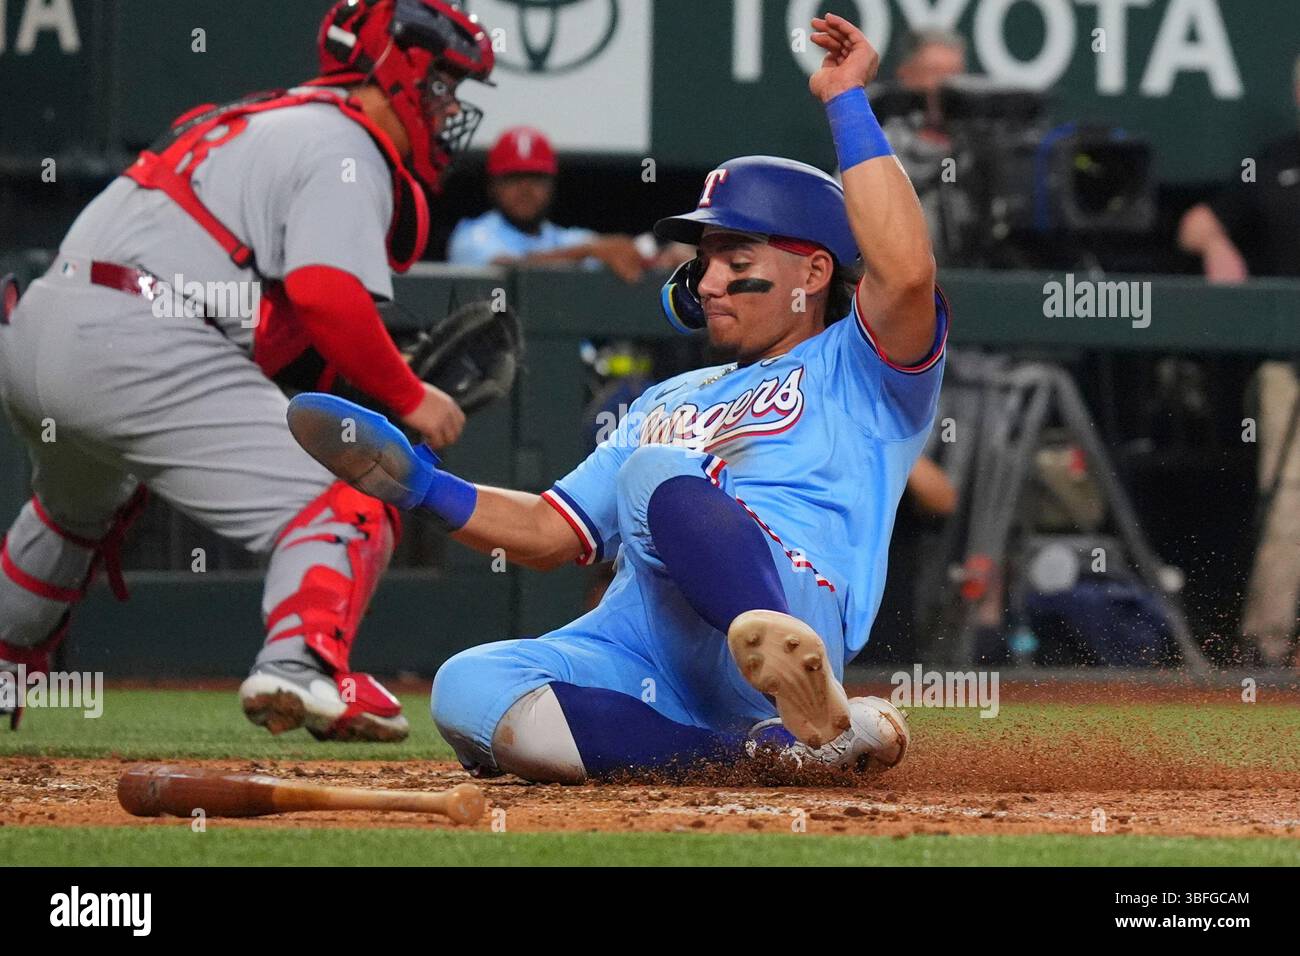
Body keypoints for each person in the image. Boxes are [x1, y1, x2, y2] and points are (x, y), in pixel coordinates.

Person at [290, 12, 946, 781]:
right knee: (468, 684)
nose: (707, 281)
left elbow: (903, 272)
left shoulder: (859, 365)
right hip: (644, 644)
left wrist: (844, 100)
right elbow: (551, 531)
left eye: (735, 256)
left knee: (653, 471)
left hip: (791, 604)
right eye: (702, 260)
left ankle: (783, 664)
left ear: (813, 273)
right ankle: (756, 754)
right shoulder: (670, 395)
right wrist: (426, 485)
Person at [0, 0, 494, 737]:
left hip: (42, 324)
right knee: (349, 495)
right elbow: (325, 293)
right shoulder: (348, 143)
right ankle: (300, 668)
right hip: (140, 335)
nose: (451, 106)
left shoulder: (269, 118)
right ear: (404, 68)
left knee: (71, 510)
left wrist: (363, 383)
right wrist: (407, 393)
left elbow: (277, 324)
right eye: (444, 84)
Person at [1178, 55, 1300, 665]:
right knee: (1291, 494)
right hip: (1288, 365)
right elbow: (1196, 224)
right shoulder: (1276, 162)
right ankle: (1266, 644)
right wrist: (1221, 244)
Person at [447, 126, 649, 282]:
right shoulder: (472, 236)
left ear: (552, 185)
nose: (526, 189)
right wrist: (588, 251)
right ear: (492, 185)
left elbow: (628, 252)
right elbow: (508, 269)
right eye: (514, 178)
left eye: (536, 178)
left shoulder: (566, 239)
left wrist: (663, 255)